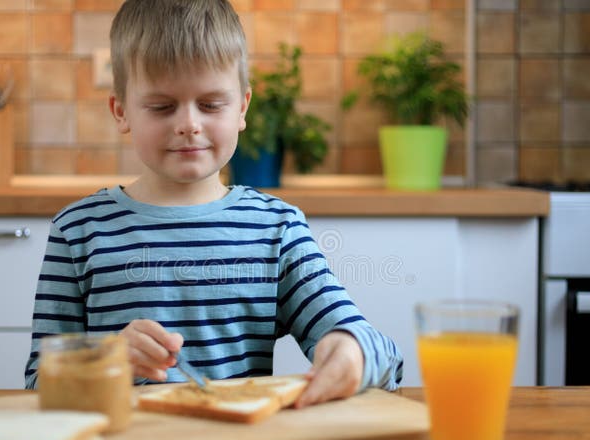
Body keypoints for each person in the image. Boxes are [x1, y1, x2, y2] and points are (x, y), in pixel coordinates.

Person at [24, 0, 403, 407]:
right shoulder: (78, 229)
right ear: (121, 111)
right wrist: (105, 361)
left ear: (241, 107)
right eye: (162, 106)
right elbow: (36, 385)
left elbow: (385, 358)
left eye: (210, 104)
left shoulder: (278, 229)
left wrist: (351, 351)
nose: (189, 123)